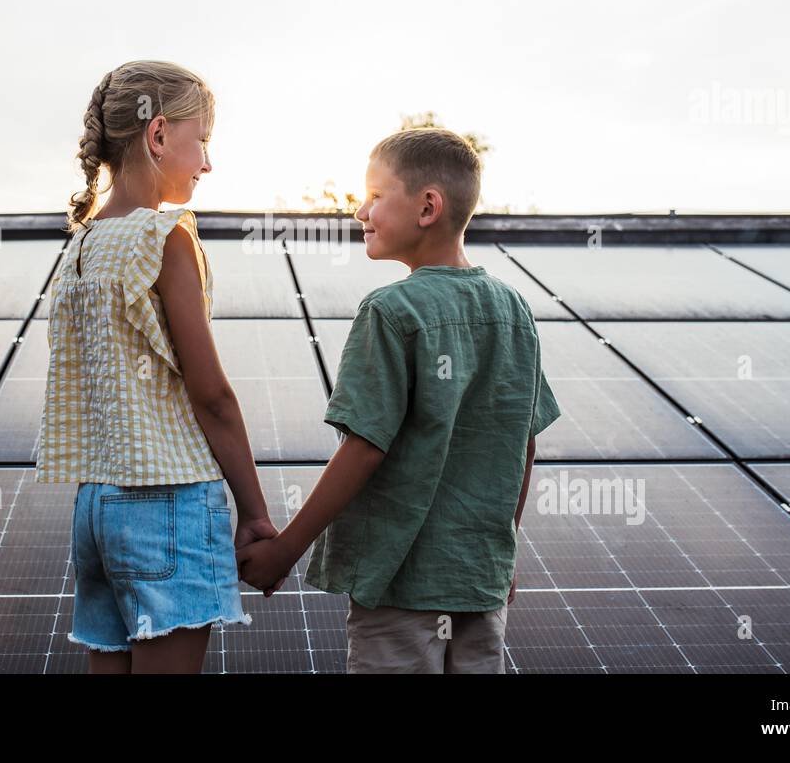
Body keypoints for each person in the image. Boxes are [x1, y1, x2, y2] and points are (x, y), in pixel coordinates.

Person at [236, 126, 562, 673]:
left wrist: (284, 550)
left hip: (401, 580)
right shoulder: (514, 311)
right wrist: (503, 549)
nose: (361, 211)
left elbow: (365, 447)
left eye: (375, 196)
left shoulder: (391, 312)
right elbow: (522, 443)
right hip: (479, 581)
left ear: (427, 207)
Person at [36, 60, 276, 673]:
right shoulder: (164, 236)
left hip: (96, 509)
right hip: (167, 501)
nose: (207, 163)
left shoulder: (82, 246)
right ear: (160, 134)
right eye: (203, 141)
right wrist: (253, 512)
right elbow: (212, 394)